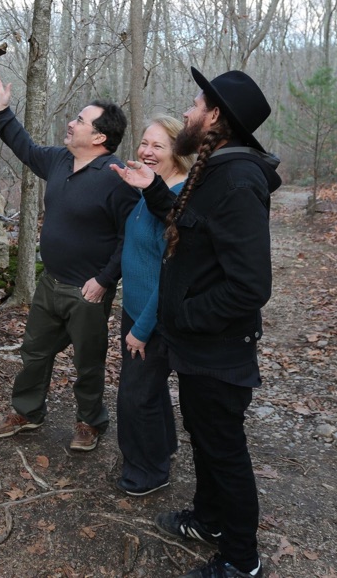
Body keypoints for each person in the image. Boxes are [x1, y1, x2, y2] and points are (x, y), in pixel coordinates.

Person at [112, 68, 281, 578]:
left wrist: (182, 314)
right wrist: (153, 194)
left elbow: (251, 285)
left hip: (218, 349)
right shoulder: (215, 172)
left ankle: (240, 560)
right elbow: (195, 231)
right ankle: (209, 520)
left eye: (196, 103)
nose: (187, 110)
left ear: (216, 118)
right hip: (199, 347)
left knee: (224, 450)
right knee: (204, 438)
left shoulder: (238, 179)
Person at [0, 74, 139, 452]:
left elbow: (127, 238)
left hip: (88, 291)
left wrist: (103, 280)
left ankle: (90, 422)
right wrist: (3, 112)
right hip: (50, 284)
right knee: (34, 353)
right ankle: (28, 412)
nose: (72, 123)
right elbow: (24, 147)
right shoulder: (59, 160)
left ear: (99, 137)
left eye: (81, 120)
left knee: (88, 363)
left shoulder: (117, 178)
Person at [116, 116, 191, 496]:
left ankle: (147, 471)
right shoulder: (152, 191)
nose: (146, 151)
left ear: (177, 152)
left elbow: (171, 275)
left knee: (135, 396)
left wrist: (142, 329)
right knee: (151, 390)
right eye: (144, 143)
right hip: (135, 307)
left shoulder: (177, 201)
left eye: (157, 146)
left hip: (153, 316)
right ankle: (163, 448)